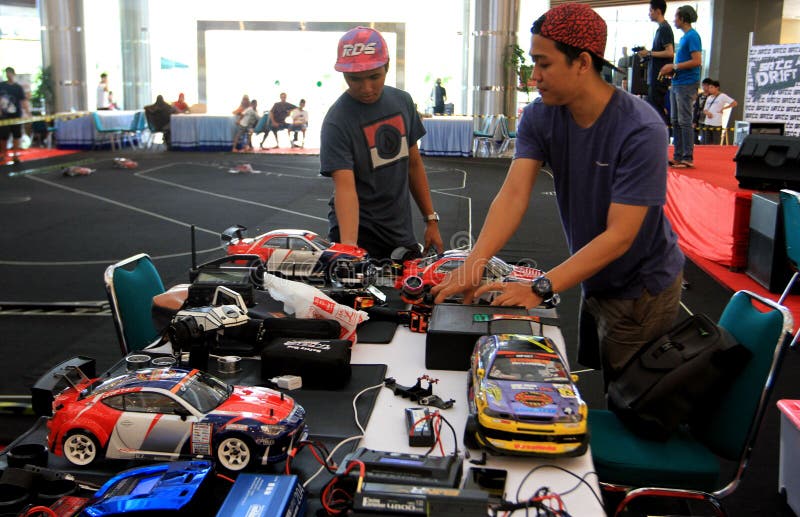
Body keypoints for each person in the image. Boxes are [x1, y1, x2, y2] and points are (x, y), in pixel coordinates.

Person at [431, 3, 685, 389]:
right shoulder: (541, 115)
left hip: (642, 287)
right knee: (602, 374)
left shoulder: (641, 128)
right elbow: (513, 194)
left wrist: (539, 287)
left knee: (633, 401)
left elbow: (621, 235)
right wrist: (473, 262)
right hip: (594, 274)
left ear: (582, 62)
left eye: (543, 64)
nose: (534, 76)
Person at [320, 26, 444, 260]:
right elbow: (345, 188)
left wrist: (431, 220)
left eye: (374, 76)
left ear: (387, 67)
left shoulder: (402, 102)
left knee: (416, 291)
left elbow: (413, 164)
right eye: (354, 79)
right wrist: (349, 248)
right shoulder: (336, 122)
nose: (366, 88)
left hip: (400, 232)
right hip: (358, 233)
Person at [660, 5, 702, 168]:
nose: (674, 20)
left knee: (684, 120)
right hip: (678, 82)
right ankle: (678, 155)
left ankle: (687, 157)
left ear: (683, 18)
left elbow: (697, 61)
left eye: (676, 17)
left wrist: (674, 67)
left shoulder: (692, 36)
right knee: (676, 120)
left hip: (686, 82)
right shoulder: (686, 37)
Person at [637, 1, 674, 128]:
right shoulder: (661, 29)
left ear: (658, 11)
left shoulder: (665, 29)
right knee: (654, 108)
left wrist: (650, 53)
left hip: (659, 78)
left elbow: (670, 52)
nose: (649, 14)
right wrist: (647, 55)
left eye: (650, 11)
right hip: (655, 77)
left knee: (657, 111)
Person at [0, 67, 29, 165]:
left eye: (10, 73)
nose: (9, 75)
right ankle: (3, 154)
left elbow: (23, 100)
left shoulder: (18, 87)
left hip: (16, 115)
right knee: (4, 136)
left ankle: (16, 155)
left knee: (17, 135)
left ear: (13, 74)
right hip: (4, 116)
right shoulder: (2, 86)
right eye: (7, 73)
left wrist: (28, 112)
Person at [702, 80, 737, 145]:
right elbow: (704, 109)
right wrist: (707, 113)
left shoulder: (723, 96)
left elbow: (734, 103)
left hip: (717, 123)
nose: (709, 89)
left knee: (716, 143)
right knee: (707, 143)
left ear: (717, 88)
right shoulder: (709, 97)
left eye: (711, 87)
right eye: (709, 87)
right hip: (707, 122)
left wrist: (724, 108)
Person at [693, 77, 712, 143]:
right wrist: (694, 120)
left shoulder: (711, 96)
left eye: (706, 85)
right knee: (698, 135)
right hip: (699, 117)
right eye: (703, 85)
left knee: (706, 136)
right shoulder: (700, 95)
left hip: (708, 118)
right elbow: (696, 108)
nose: (704, 87)